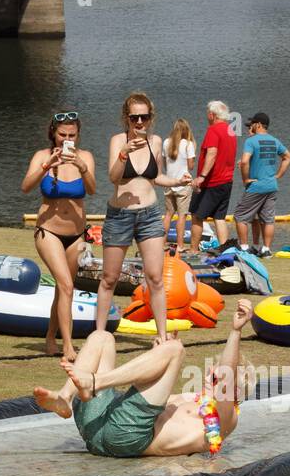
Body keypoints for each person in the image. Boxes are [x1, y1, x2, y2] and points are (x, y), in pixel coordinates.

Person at [35, 299, 253, 458]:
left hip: (125, 438)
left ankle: (95, 382)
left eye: (216, 376)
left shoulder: (225, 418)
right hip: (95, 424)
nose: (210, 375)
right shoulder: (188, 398)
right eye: (210, 371)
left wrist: (235, 331)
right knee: (102, 337)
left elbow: (226, 376)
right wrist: (157, 356)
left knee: (176, 349)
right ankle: (64, 397)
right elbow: (145, 401)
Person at [98, 93, 192, 344]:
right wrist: (123, 154)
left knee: (155, 277)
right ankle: (99, 335)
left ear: (151, 118)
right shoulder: (118, 140)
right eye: (134, 117)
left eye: (144, 117)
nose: (139, 122)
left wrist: (176, 181)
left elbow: (155, 177)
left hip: (150, 215)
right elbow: (113, 178)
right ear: (126, 118)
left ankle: (161, 336)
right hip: (120, 215)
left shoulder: (156, 141)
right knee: (109, 278)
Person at [21, 110, 96, 360]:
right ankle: (68, 346)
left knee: (63, 290)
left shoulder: (84, 157)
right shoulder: (43, 156)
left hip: (76, 234)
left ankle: (51, 337)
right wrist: (46, 166)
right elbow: (25, 187)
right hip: (48, 230)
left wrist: (83, 168)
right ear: (53, 133)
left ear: (78, 135)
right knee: (66, 285)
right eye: (62, 135)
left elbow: (93, 189)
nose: (66, 140)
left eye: (71, 135)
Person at [233, 112, 290, 257]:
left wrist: (245, 179)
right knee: (268, 219)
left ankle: (245, 248)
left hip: (256, 187)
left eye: (251, 124)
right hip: (271, 186)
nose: (250, 127)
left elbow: (245, 161)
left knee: (240, 216)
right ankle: (266, 250)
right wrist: (278, 175)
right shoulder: (274, 141)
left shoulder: (251, 141)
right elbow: (287, 157)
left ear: (258, 124)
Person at [189, 100, 238, 255]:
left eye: (207, 113)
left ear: (212, 114)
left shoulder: (213, 130)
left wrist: (202, 176)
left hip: (212, 182)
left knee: (197, 215)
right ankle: (225, 250)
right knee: (219, 217)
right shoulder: (231, 131)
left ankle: (193, 250)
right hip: (227, 181)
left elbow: (212, 153)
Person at [161, 118, 196, 251]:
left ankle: (163, 243)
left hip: (169, 182)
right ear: (186, 130)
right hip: (184, 184)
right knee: (182, 216)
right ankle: (180, 245)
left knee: (168, 214)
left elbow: (164, 164)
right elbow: (191, 167)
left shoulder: (166, 142)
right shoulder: (188, 144)